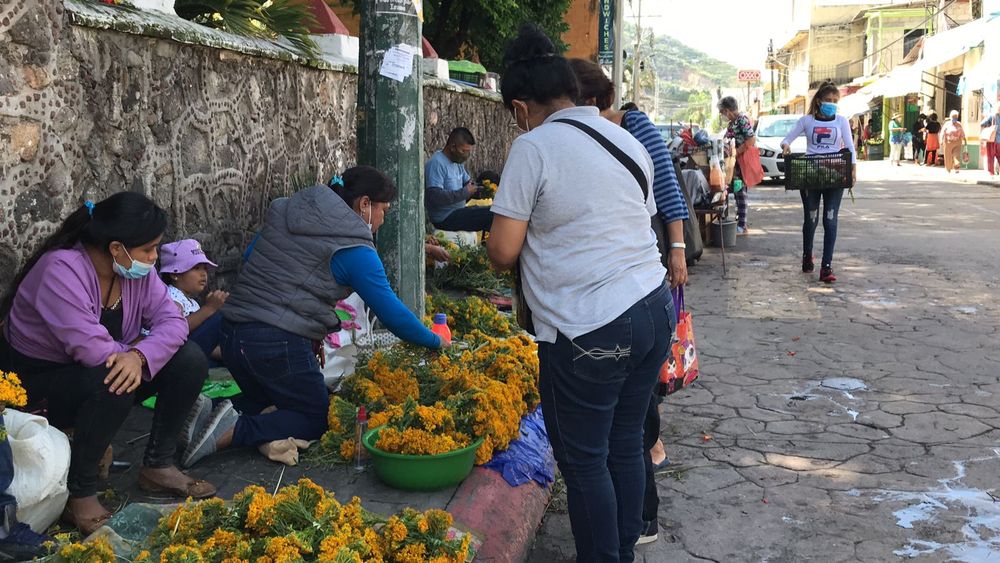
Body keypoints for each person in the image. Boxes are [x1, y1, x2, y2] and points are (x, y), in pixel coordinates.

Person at [487, 24, 676, 562]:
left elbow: (502, 250)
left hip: (591, 325)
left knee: (585, 458)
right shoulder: (626, 140)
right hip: (652, 310)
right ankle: (621, 550)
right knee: (624, 442)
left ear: (522, 106)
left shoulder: (534, 145)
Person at [181, 166, 445, 468]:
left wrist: (309, 320)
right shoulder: (354, 248)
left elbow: (252, 256)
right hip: (273, 344)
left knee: (267, 403)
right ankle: (231, 432)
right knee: (315, 416)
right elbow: (393, 315)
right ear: (364, 204)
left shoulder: (286, 211)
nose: (383, 220)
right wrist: (435, 342)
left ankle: (205, 414)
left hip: (231, 335)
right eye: (383, 210)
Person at [0, 193, 215, 534]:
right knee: (113, 377)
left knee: (189, 360)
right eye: (149, 250)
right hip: (35, 386)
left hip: (101, 367)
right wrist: (133, 353)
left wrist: (141, 354)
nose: (154, 258)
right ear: (117, 248)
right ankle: (80, 492)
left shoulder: (136, 275)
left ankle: (158, 465)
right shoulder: (60, 271)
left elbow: (173, 322)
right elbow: (92, 352)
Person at [569, 56, 688, 545]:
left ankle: (642, 516)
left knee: (634, 417)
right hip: (621, 277)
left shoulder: (633, 126)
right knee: (630, 417)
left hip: (646, 267)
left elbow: (669, 192)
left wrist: (677, 250)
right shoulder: (592, 136)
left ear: (592, 101)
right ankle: (636, 509)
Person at [780, 81, 858, 284]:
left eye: (835, 101)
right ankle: (807, 256)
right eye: (828, 100)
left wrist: (853, 169)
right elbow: (788, 138)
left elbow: (850, 147)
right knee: (811, 219)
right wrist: (786, 146)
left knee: (830, 220)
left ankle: (826, 266)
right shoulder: (807, 121)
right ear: (819, 102)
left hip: (835, 175)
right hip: (811, 176)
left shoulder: (841, 122)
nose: (831, 104)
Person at [158, 239, 228, 361]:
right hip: (172, 358)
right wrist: (209, 308)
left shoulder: (192, 302)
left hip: (191, 354)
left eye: (205, 268)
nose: (203, 274)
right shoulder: (171, 297)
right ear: (175, 274)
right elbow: (173, 330)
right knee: (219, 317)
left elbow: (202, 341)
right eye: (196, 268)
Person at [425, 127, 492, 232]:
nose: (466, 156)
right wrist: (465, 192)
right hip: (445, 218)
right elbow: (435, 196)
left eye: (468, 152)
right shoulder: (437, 163)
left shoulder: (457, 162)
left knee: (495, 212)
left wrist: (482, 190)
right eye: (464, 151)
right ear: (453, 147)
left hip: (458, 211)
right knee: (490, 216)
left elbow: (468, 183)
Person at [717, 96, 755, 234]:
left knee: (740, 192)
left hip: (742, 162)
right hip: (734, 163)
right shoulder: (732, 123)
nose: (722, 115)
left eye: (722, 112)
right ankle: (738, 222)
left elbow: (751, 139)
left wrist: (736, 152)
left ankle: (742, 225)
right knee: (735, 191)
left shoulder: (742, 120)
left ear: (728, 111)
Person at [981, 104, 1000, 176]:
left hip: (992, 140)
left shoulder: (992, 116)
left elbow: (982, 123)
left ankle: (991, 173)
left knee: (990, 157)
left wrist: (986, 119)